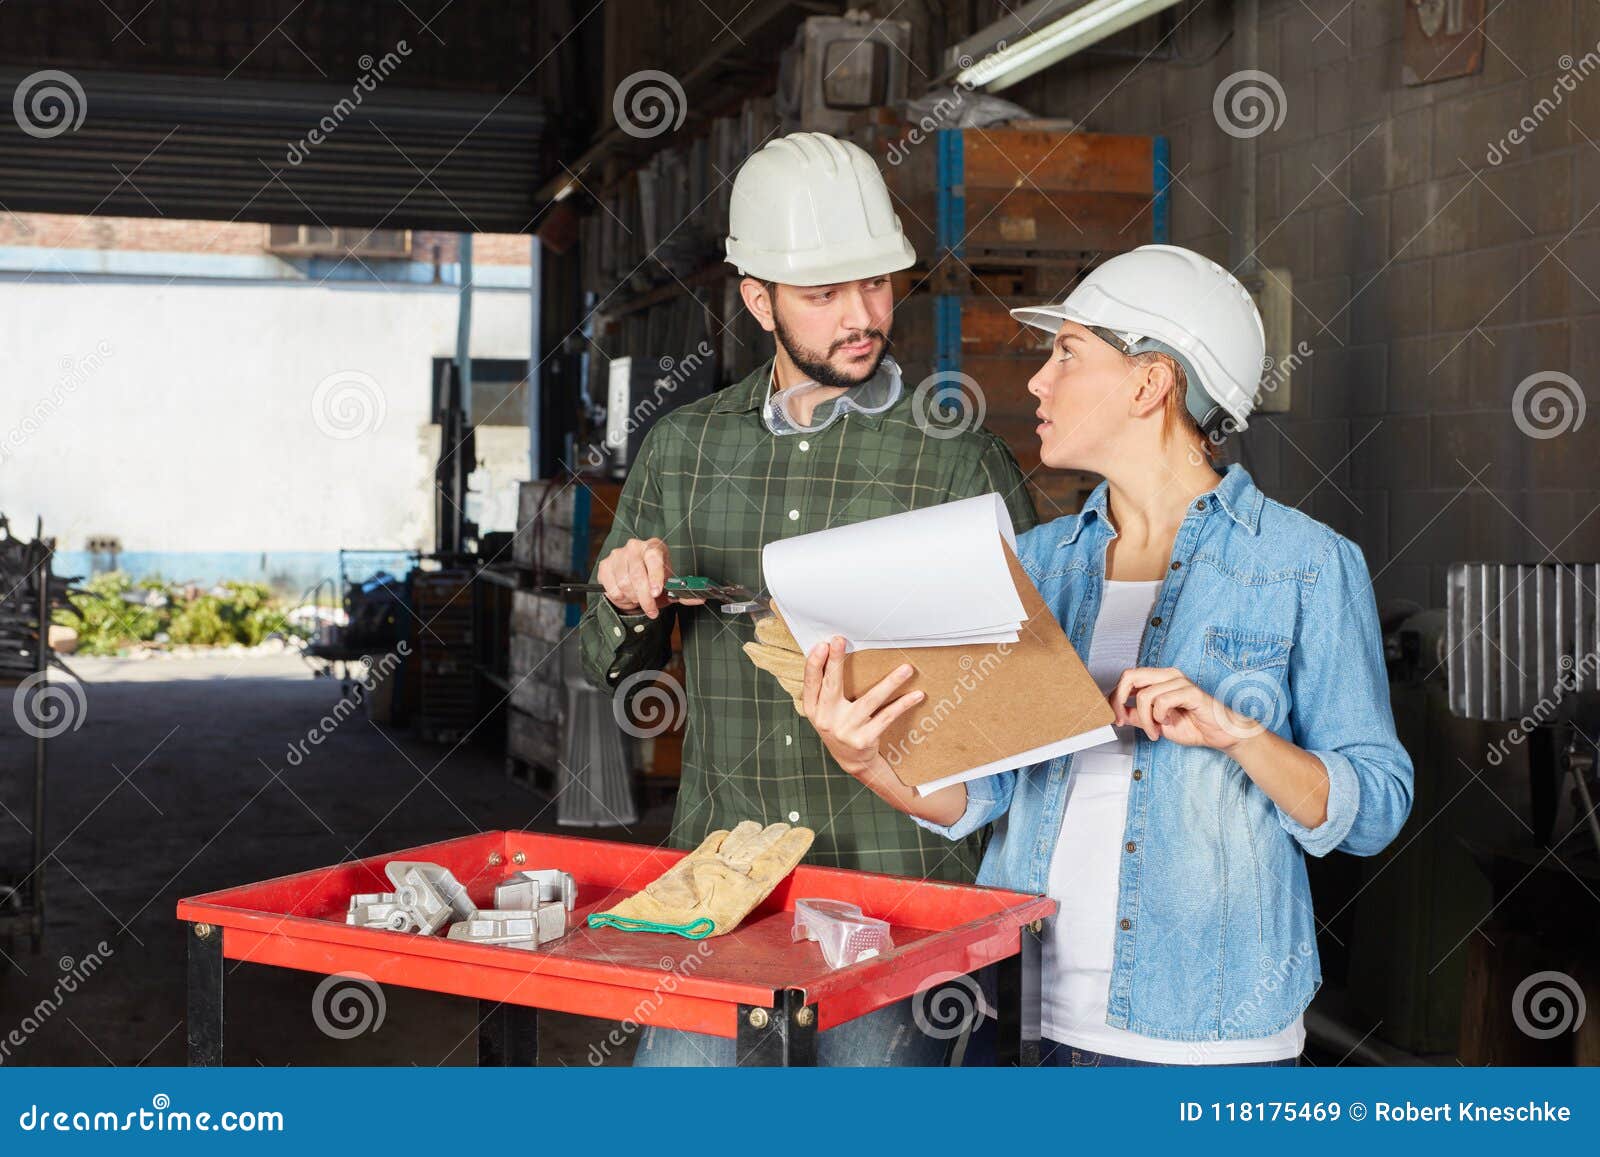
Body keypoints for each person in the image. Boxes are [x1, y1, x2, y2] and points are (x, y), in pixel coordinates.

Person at [797, 244, 1415, 1066]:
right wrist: (868, 760)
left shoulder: (1304, 564)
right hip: (1012, 1011)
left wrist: (1242, 737)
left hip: (1204, 1042)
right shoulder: (1040, 563)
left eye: (1067, 353)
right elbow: (986, 788)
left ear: (1150, 382)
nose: (1036, 382)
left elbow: (1375, 808)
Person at [578, 131, 1038, 1066]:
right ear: (759, 300)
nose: (862, 315)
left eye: (875, 283)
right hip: (726, 885)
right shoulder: (686, 448)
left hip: (899, 896)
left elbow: (1024, 706)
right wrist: (628, 600)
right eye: (824, 295)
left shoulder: (957, 459)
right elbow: (604, 658)